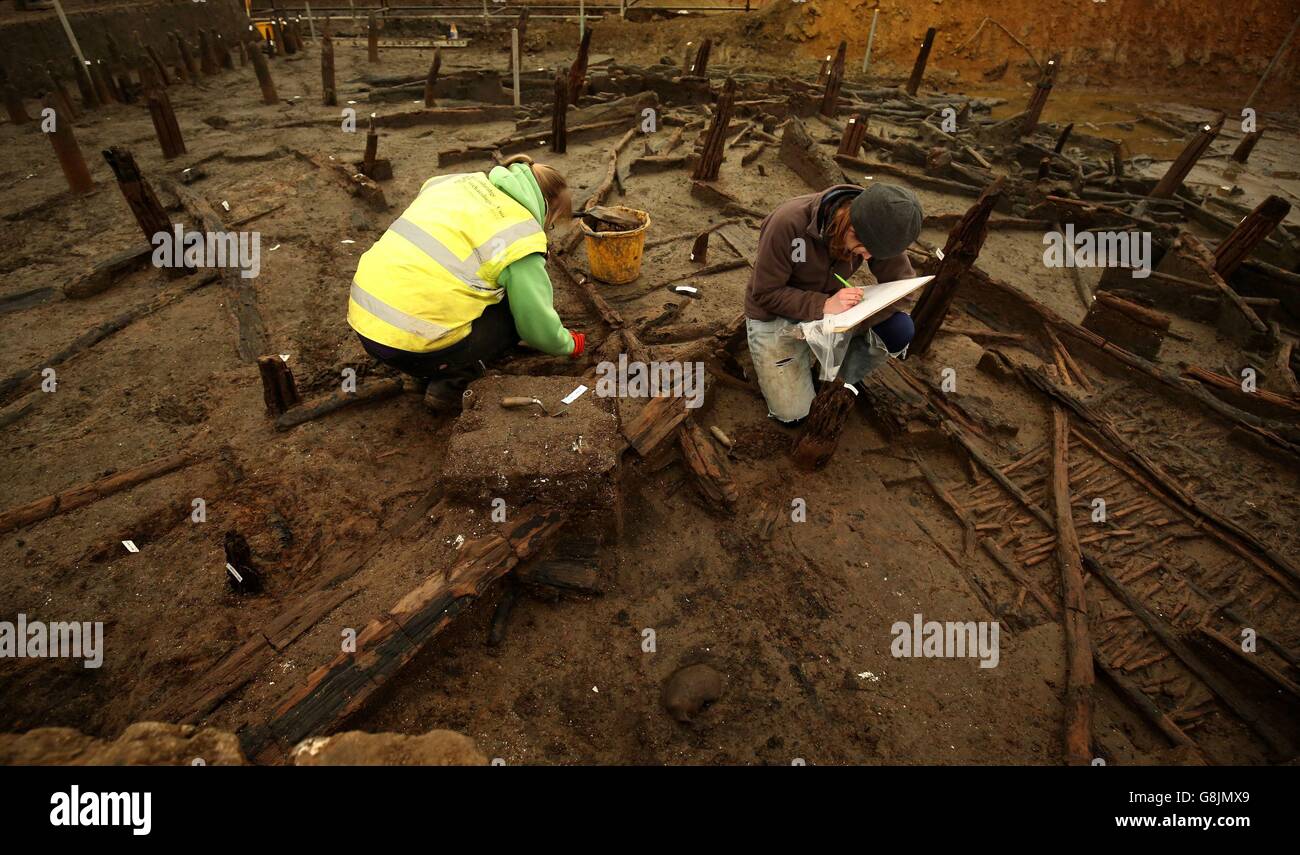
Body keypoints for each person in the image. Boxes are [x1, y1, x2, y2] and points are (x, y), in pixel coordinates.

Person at [347, 154, 585, 413]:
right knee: (514, 313)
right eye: (551, 223)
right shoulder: (520, 235)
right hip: (409, 345)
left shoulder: (453, 182)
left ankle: (421, 366)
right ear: (546, 207)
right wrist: (569, 344)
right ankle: (452, 382)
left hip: (365, 320)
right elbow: (535, 324)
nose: (547, 229)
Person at [744, 182, 923, 424]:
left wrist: (858, 318)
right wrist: (824, 304)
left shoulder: (881, 223)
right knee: (795, 416)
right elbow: (765, 293)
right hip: (776, 314)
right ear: (851, 227)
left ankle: (837, 378)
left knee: (898, 329)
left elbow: (902, 286)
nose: (869, 257)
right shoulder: (788, 223)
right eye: (866, 249)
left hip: (833, 314)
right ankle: (779, 366)